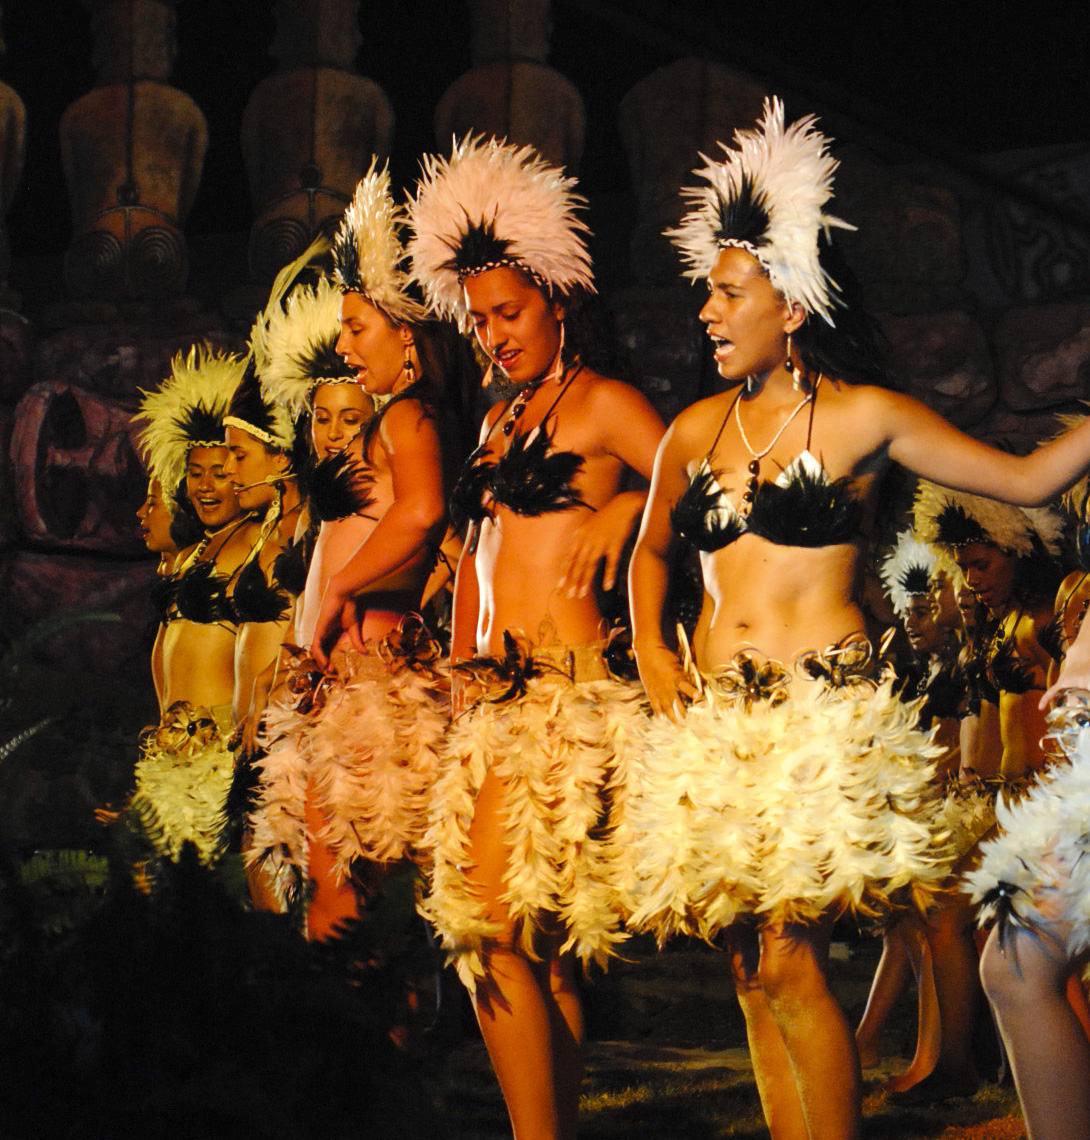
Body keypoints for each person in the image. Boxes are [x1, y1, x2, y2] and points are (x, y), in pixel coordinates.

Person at [625, 98, 1090, 1140]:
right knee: (748, 965)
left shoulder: (863, 416)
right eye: (707, 290)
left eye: (728, 293)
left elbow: (1020, 476)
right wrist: (653, 646)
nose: (706, 310)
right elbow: (648, 554)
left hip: (812, 722)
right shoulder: (694, 430)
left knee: (790, 955)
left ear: (788, 304)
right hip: (715, 728)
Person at [408, 136, 665, 1140]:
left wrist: (628, 509)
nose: (493, 334)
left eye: (508, 313)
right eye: (479, 320)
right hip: (488, 705)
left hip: (562, 703)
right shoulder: (500, 419)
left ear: (558, 297)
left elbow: (700, 488)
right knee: (535, 948)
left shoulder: (605, 403)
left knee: (489, 936)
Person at [246, 167, 457, 943]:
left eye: (356, 328)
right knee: (340, 892)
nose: (343, 344)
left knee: (349, 897)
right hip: (344, 680)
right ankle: (364, 1051)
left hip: (373, 684)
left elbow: (430, 519)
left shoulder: (408, 417)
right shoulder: (400, 422)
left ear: (406, 332)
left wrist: (342, 590)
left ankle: (370, 1056)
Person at [126, 346, 252, 868]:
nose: (204, 485)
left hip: (221, 755)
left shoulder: (258, 546)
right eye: (195, 472)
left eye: (220, 471)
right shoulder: (195, 553)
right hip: (173, 756)